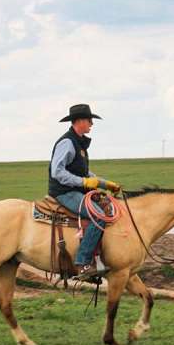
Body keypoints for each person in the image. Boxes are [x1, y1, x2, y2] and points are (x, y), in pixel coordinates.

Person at [49, 104, 121, 280]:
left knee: (106, 206)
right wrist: (84, 182)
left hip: (75, 190)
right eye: (90, 120)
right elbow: (57, 172)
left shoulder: (78, 143)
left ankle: (98, 257)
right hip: (65, 193)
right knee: (99, 214)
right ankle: (83, 262)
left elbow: (83, 172)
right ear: (80, 121)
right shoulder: (67, 142)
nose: (91, 124)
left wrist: (104, 184)